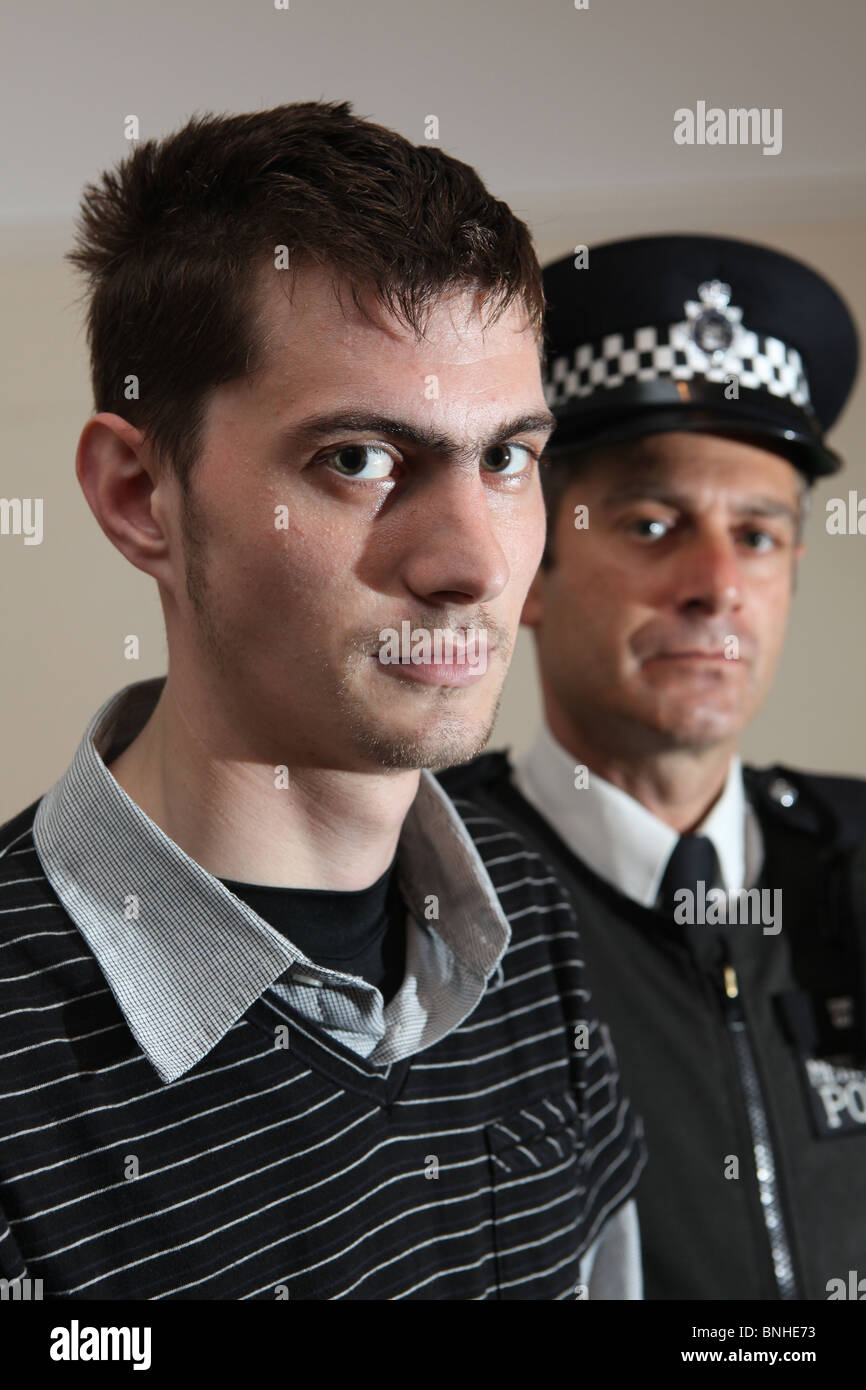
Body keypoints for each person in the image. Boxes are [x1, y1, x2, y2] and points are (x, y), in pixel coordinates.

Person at [0, 103, 645, 1300]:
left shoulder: (532, 925)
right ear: (141, 493)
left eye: (505, 457)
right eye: (357, 458)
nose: (473, 562)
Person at [438, 233, 866, 1300]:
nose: (715, 583)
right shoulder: (421, 886)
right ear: (531, 570)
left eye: (758, 536)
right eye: (651, 522)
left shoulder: (849, 857)